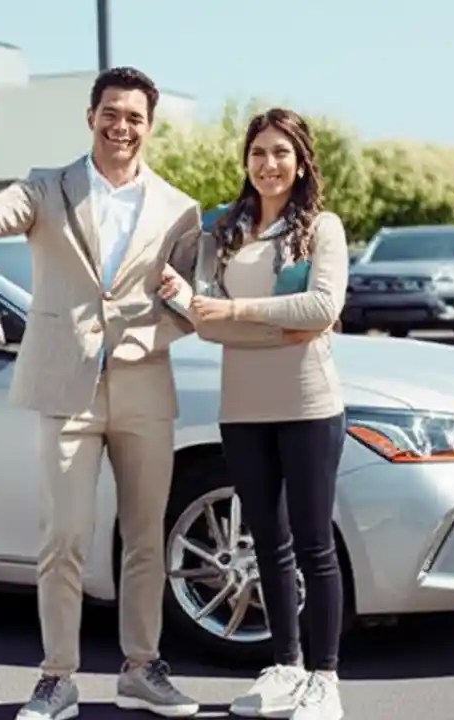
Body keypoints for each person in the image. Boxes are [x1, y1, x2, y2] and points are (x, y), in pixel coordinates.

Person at [0, 67, 204, 720]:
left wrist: (149, 337)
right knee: (65, 538)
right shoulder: (46, 187)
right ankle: (58, 678)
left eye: (134, 117)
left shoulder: (179, 208)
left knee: (145, 539)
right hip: (65, 389)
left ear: (149, 125)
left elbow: (191, 301)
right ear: (91, 117)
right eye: (111, 113)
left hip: (145, 389)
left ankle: (143, 669)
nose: (121, 126)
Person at [159, 108, 350, 720]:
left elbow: (320, 308)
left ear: (301, 162)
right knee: (266, 541)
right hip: (242, 410)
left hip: (308, 406)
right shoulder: (227, 230)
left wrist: (239, 315)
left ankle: (325, 680)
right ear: (247, 161)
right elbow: (204, 325)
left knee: (315, 545)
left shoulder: (322, 229)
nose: (269, 165)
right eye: (259, 153)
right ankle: (286, 667)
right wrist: (272, 320)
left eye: (281, 153)